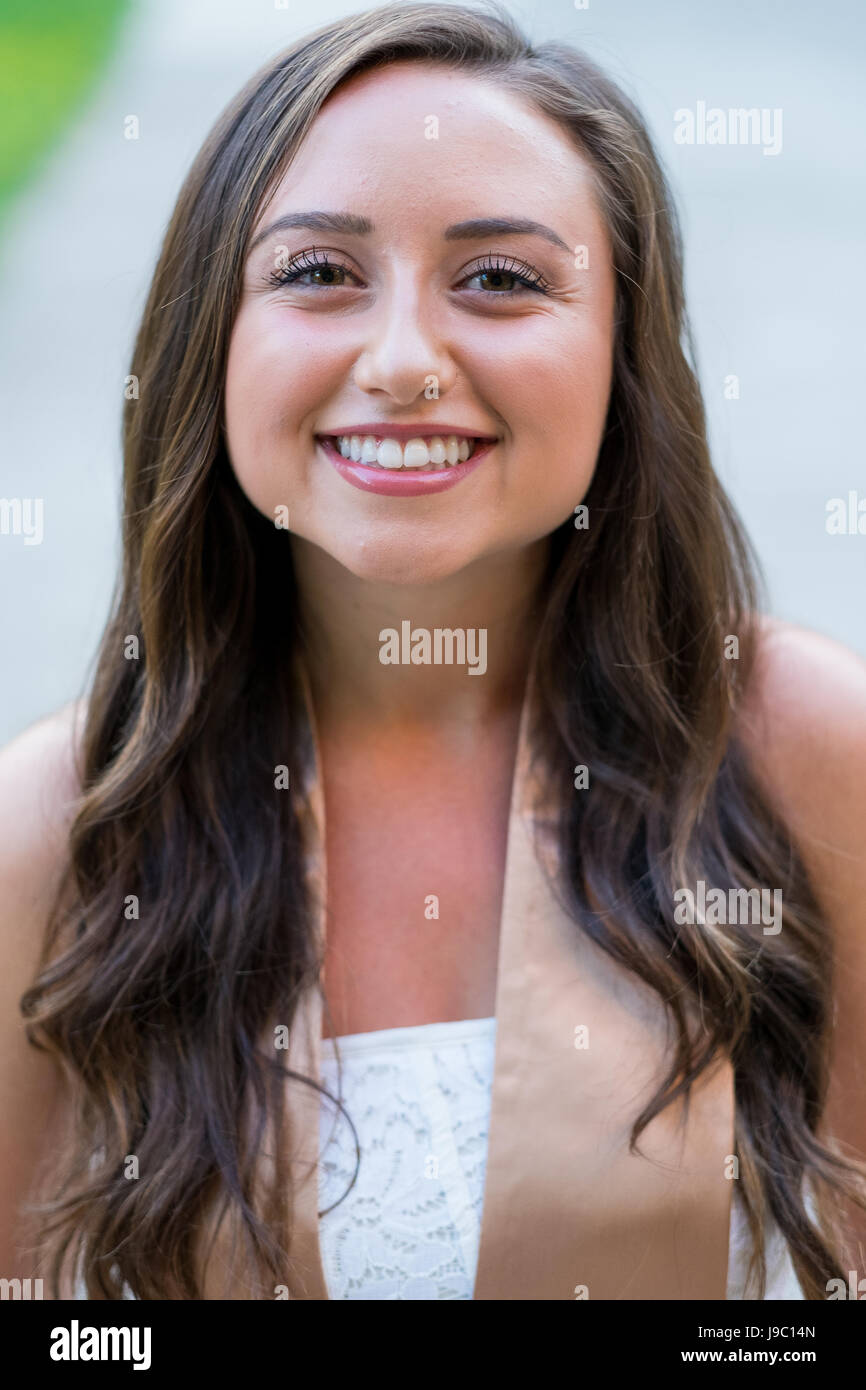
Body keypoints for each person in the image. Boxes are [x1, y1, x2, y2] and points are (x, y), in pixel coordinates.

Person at [1, 1, 864, 1301]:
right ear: (211, 347)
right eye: (316, 273)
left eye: (500, 278)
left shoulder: (795, 747)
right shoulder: (64, 827)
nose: (402, 360)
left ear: (622, 352)